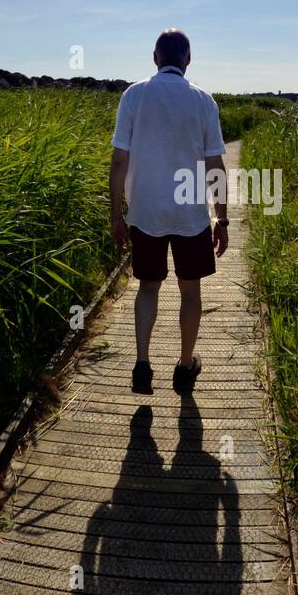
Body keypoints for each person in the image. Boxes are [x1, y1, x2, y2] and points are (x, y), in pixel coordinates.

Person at [109, 29, 229, 394]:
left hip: (145, 212)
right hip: (190, 214)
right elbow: (215, 167)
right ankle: (184, 365)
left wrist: (116, 215)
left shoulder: (134, 95)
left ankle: (143, 363)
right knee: (189, 291)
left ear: (155, 58)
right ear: (188, 60)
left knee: (148, 287)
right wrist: (221, 219)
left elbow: (118, 161)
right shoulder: (203, 101)